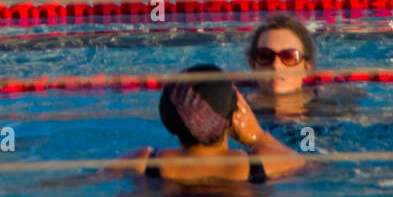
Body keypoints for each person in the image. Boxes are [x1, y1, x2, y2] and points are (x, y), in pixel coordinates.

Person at [121, 64, 303, 184]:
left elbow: (94, 178)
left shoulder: (143, 162)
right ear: (234, 113)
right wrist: (257, 136)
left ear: (167, 117)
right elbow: (317, 168)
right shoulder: (264, 162)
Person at [248, 16, 315, 106]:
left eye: (288, 56)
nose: (276, 65)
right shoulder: (232, 105)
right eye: (265, 55)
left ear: (307, 67)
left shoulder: (330, 107)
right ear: (253, 65)